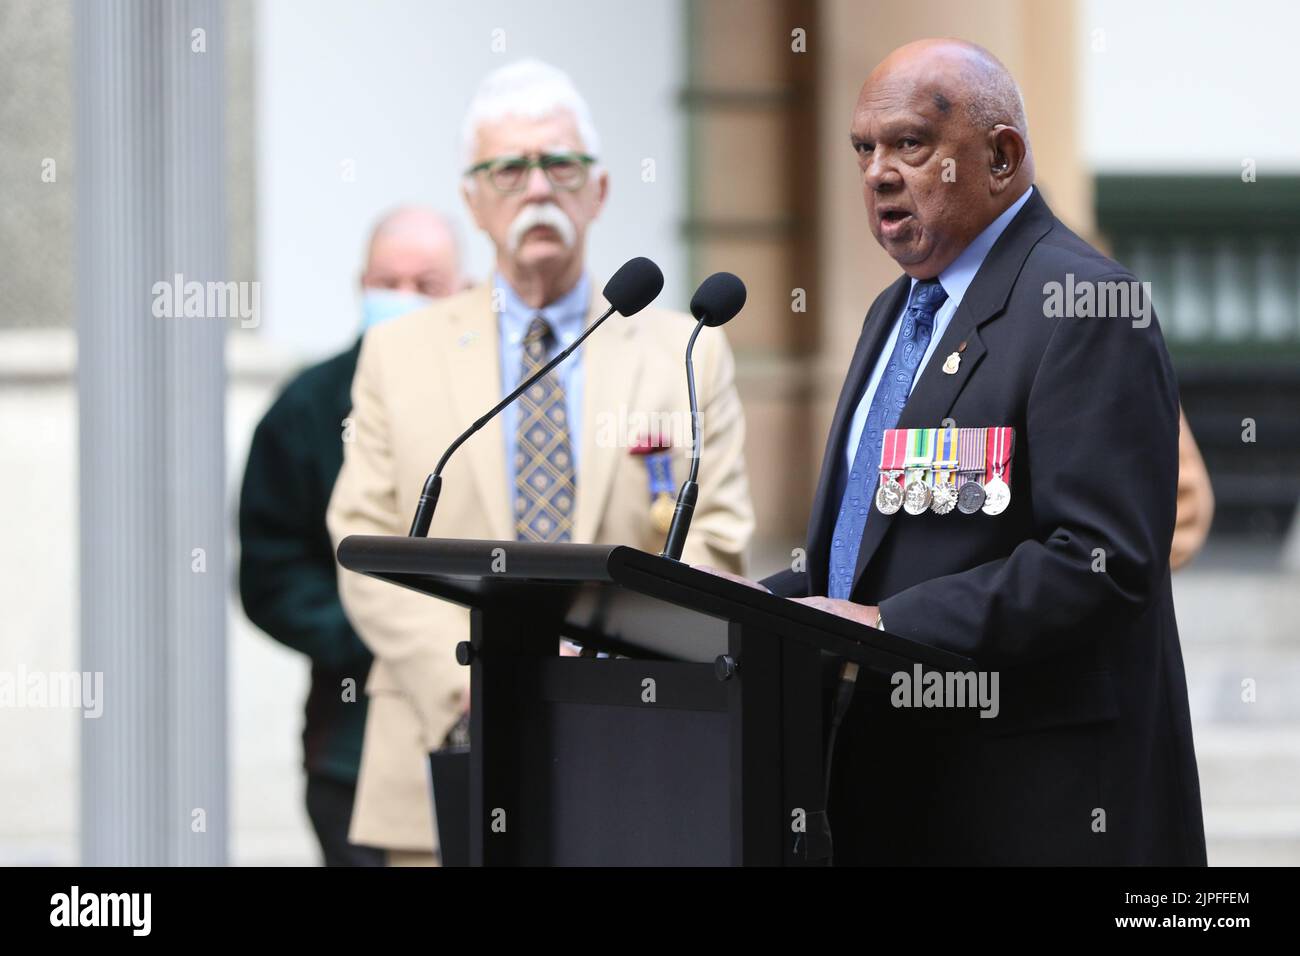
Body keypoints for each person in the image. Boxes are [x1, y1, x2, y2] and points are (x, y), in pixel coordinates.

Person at [712, 38, 1206, 865]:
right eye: (863, 149)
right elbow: (864, 559)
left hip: (1030, 805)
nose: (876, 173)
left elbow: (1104, 562)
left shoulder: (1087, 305)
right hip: (893, 793)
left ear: (1003, 157)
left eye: (910, 144)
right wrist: (737, 606)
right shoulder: (895, 312)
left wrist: (887, 623)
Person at [326, 59, 755, 866]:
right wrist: (480, 675)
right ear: (474, 200)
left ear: (598, 192)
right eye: (509, 168)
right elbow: (363, 545)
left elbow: (716, 542)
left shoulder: (683, 352)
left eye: (561, 165)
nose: (537, 187)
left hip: (632, 742)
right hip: (443, 742)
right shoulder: (398, 353)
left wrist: (594, 670)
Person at [239, 206, 464, 866]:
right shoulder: (310, 406)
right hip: (352, 746)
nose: (402, 299)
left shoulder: (497, 401)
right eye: (386, 282)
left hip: (488, 738)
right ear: (359, 284)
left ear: (466, 290)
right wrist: (377, 637)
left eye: (426, 284)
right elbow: (271, 572)